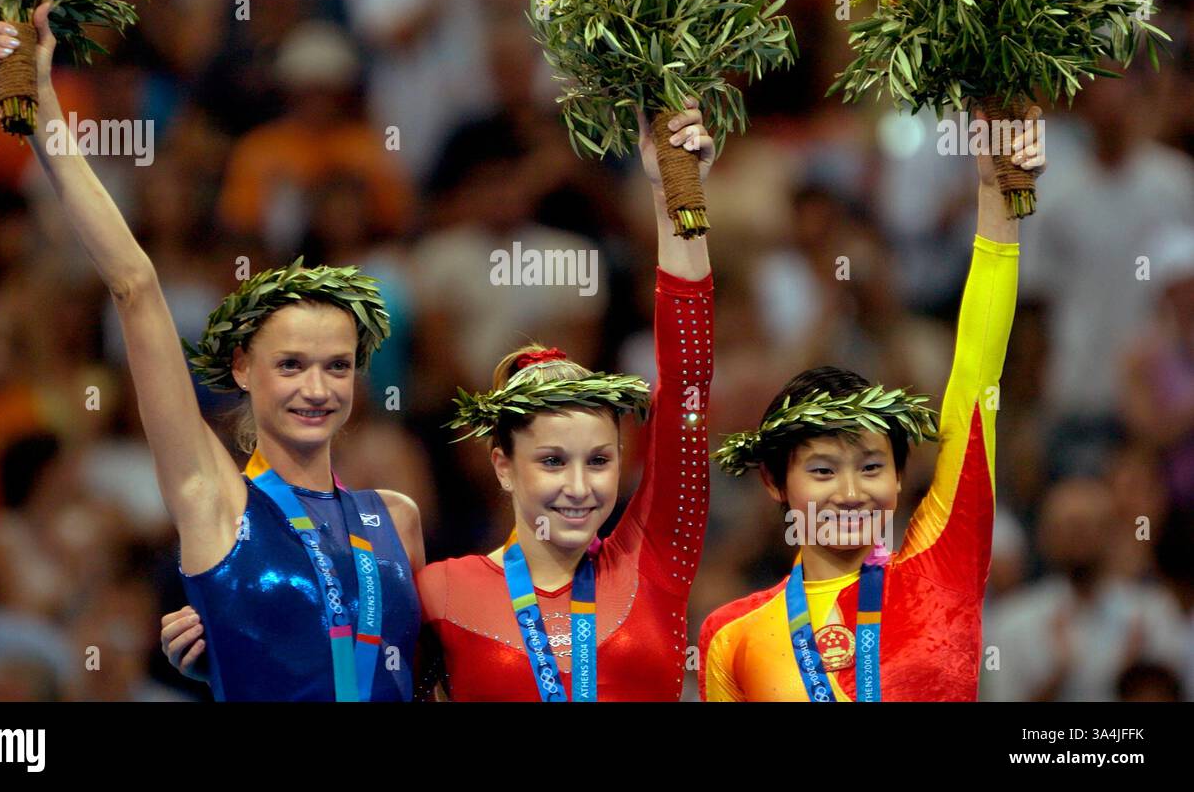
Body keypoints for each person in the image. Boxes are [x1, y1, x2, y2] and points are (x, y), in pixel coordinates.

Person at [165, 99, 718, 701]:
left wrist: (674, 200)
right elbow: (353, 666)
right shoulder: (442, 593)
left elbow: (688, 381)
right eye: (552, 460)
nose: (579, 486)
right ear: (502, 465)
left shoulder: (654, 557)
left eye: (600, 461)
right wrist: (232, 634)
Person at [0, 2, 424, 702]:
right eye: (291, 364)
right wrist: (42, 104)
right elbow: (134, 285)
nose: (317, 387)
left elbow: (421, 680)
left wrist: (238, 645)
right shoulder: (214, 497)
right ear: (242, 369)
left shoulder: (397, 517)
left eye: (336, 366)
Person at [699, 105, 1045, 701]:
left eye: (871, 466)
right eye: (822, 470)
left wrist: (995, 197)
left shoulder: (943, 565)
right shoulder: (733, 636)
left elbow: (976, 374)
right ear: (775, 482)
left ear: (900, 478)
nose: (851, 491)